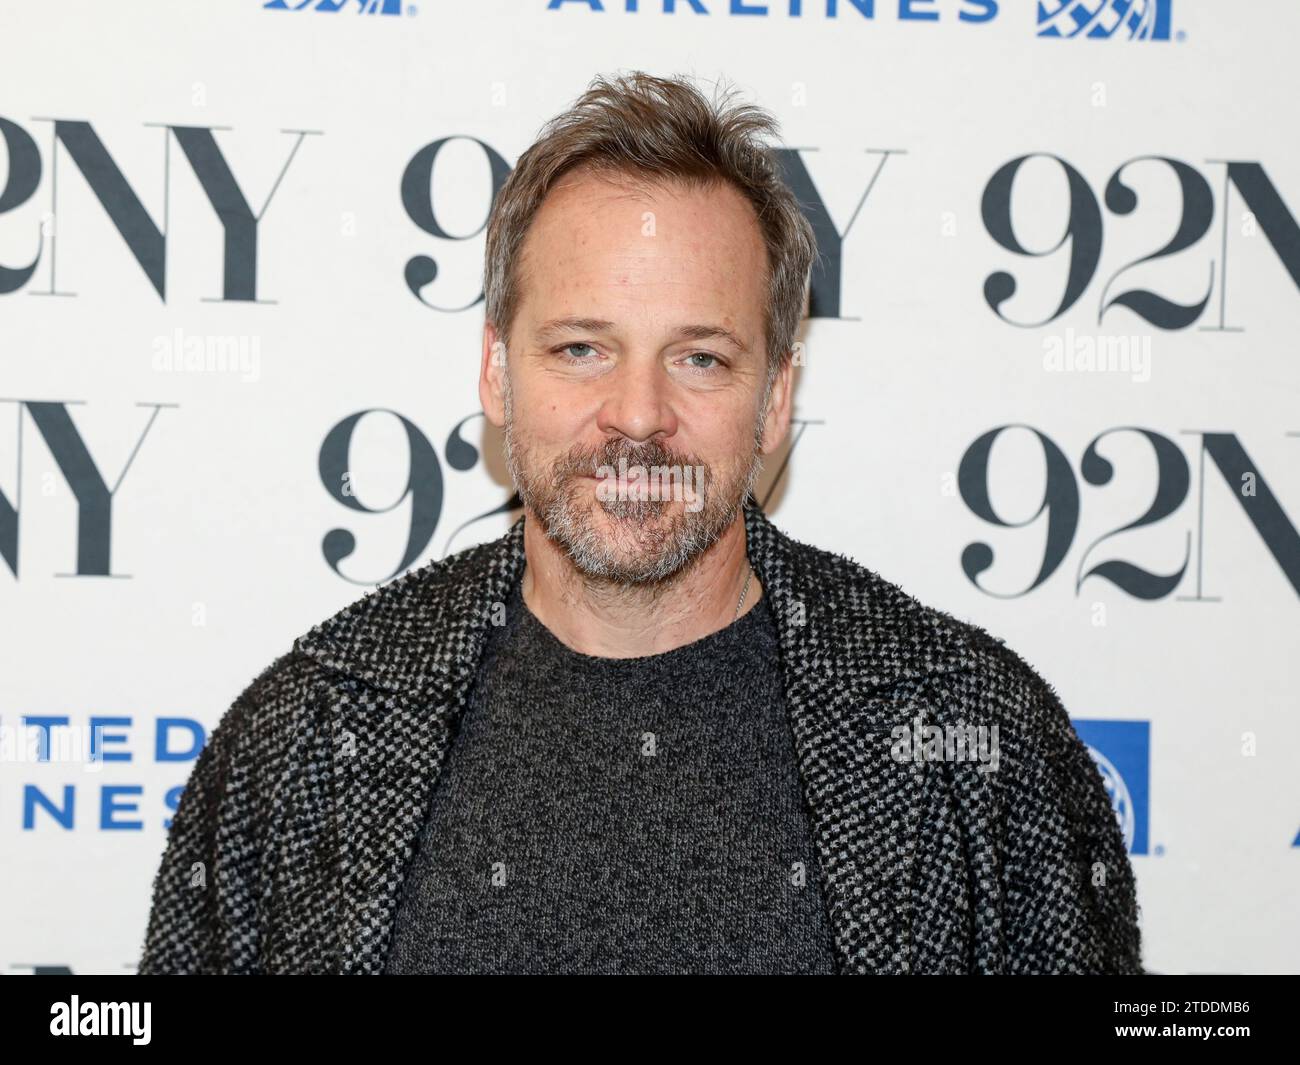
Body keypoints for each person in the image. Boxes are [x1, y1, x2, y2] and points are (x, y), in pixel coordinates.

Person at [137, 70, 1142, 975]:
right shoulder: (312, 730)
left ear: (777, 398)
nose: (637, 414)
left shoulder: (978, 734)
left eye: (700, 357)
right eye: (581, 349)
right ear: (496, 372)